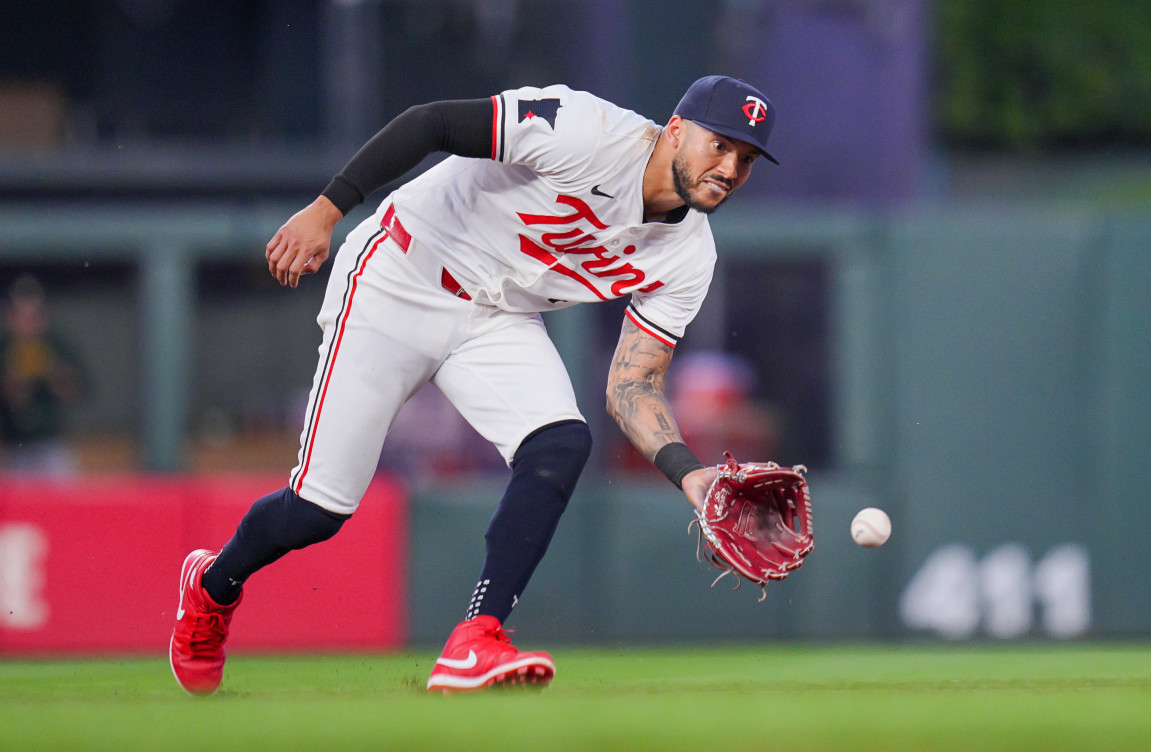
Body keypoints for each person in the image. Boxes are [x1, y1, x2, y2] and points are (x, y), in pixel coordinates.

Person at [170, 75, 778, 695]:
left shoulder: (689, 257)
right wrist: (327, 209)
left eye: (747, 159)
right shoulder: (587, 130)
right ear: (675, 130)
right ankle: (213, 585)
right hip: (401, 273)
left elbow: (634, 384)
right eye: (720, 145)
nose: (730, 168)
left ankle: (476, 637)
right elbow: (430, 122)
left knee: (560, 443)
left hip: (495, 315)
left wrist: (689, 474)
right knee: (318, 510)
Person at [0, 274, 87, 475]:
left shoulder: (56, 344)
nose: (27, 323)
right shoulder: (4, 347)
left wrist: (57, 375)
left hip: (51, 442)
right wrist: (11, 386)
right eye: (20, 316)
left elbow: (81, 388)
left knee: (61, 485)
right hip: (15, 446)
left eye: (33, 316)